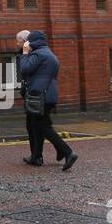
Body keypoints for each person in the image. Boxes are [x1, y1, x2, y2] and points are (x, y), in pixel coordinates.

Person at [19, 29, 78, 170]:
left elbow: (25, 69)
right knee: (37, 124)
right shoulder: (48, 53)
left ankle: (67, 152)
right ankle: (37, 157)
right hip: (49, 95)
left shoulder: (38, 54)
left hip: (40, 95)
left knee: (42, 126)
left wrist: (25, 53)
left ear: (31, 42)